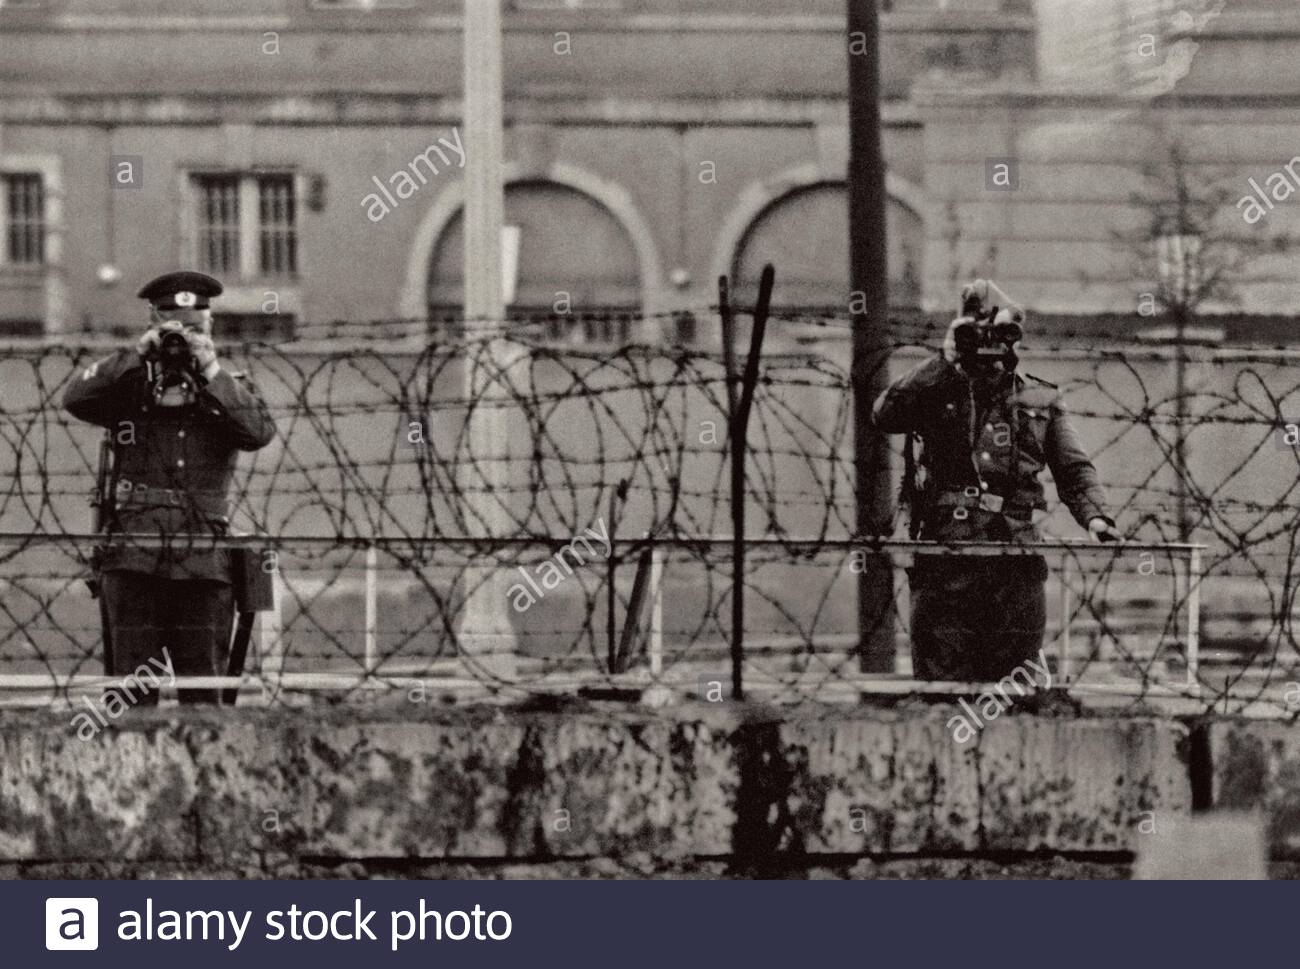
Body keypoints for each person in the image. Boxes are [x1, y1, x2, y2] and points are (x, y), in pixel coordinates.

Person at [872, 279, 1121, 681]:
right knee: (944, 689)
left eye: (1008, 334)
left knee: (1012, 688)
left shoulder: (1040, 399)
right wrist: (945, 358)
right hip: (947, 561)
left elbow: (1074, 469)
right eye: (983, 334)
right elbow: (885, 416)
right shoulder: (936, 388)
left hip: (1016, 562)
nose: (998, 346)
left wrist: (1097, 518)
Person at [64, 271, 275, 704]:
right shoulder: (129, 387)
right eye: (173, 330)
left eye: (194, 330)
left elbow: (257, 432)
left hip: (203, 561)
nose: (183, 341)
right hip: (133, 557)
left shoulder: (229, 388)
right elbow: (75, 399)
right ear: (152, 323)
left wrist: (211, 369)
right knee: (131, 697)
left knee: (205, 694)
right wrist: (136, 357)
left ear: (211, 327)